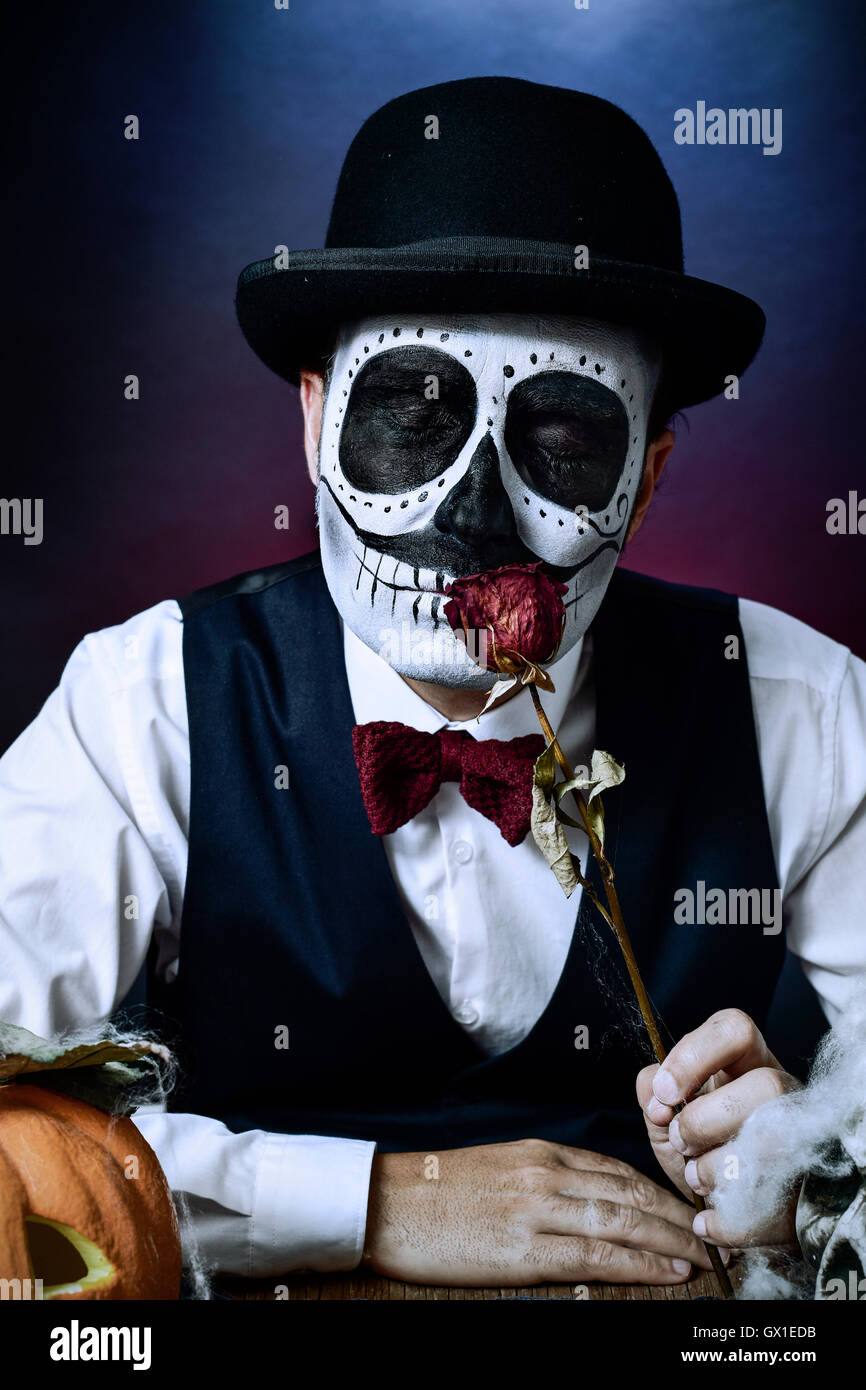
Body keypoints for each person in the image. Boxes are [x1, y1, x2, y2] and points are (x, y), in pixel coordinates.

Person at [1, 77, 864, 1291]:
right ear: (313, 422)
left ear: (652, 474)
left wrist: (814, 1160)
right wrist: (370, 1201)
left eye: (562, 437)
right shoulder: (143, 700)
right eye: (409, 412)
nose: (469, 519)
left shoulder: (798, 702)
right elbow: (20, 1149)